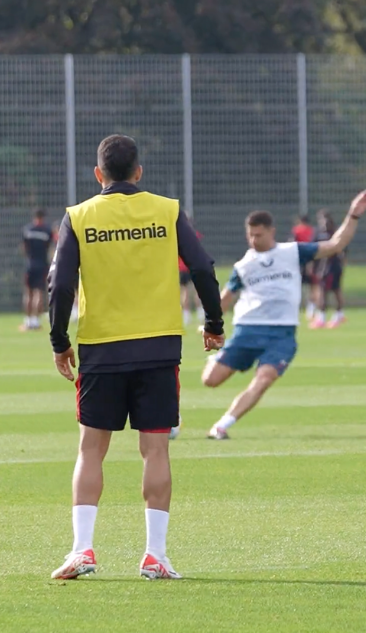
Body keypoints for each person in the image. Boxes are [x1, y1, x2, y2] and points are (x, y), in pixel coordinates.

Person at [47, 134, 224, 580]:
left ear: (98, 174)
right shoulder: (167, 210)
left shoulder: (78, 216)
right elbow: (202, 267)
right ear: (139, 172)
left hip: (101, 348)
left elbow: (61, 284)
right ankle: (155, 555)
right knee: (155, 450)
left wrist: (58, 340)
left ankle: (82, 550)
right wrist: (214, 322)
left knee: (91, 449)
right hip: (158, 347)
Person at [201, 191, 366, 440]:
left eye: (258, 235)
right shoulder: (244, 266)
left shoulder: (292, 252)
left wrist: (353, 215)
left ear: (271, 231)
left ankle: (221, 426)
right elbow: (225, 298)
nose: (253, 240)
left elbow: (335, 244)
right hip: (248, 329)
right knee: (210, 380)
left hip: (281, 334)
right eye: (250, 235)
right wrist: (211, 326)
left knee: (264, 379)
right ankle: (215, 361)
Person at [20, 208, 55, 331]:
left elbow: (24, 248)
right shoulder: (47, 231)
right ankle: (35, 322)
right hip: (42, 264)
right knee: (39, 293)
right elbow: (50, 248)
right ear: (43, 217)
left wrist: (29, 257)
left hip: (30, 264)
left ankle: (28, 321)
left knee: (28, 293)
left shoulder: (27, 229)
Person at [317, 214, 348, 328]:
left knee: (332, 292)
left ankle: (333, 316)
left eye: (326, 223)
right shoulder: (320, 235)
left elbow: (342, 252)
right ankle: (325, 317)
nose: (323, 225)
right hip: (326, 267)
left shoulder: (335, 236)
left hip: (332, 268)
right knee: (324, 292)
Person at [177, 211, 204, 328]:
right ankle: (200, 315)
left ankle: (187, 317)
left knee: (185, 293)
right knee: (197, 291)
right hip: (193, 266)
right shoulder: (195, 235)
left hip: (182, 268)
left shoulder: (176, 235)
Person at [308, 210, 333, 328]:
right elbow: (311, 249)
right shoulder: (317, 232)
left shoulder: (334, 232)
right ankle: (318, 314)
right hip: (320, 266)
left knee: (325, 291)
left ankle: (322, 317)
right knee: (319, 289)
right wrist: (311, 264)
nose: (323, 222)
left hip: (330, 266)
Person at [292, 214, 317, 320]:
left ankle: (295, 308)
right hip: (311, 260)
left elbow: (292, 243)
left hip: (299, 261)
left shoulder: (296, 230)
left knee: (296, 285)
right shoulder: (313, 230)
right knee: (313, 286)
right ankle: (311, 309)